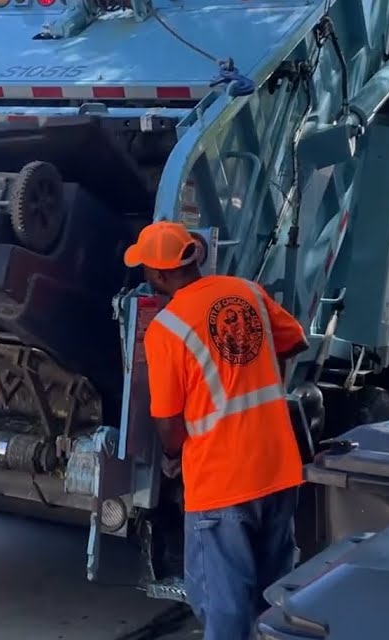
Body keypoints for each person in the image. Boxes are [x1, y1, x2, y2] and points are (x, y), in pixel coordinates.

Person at [124, 221, 309, 640]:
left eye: (147, 270)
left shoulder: (167, 329)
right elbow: (294, 341)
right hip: (279, 469)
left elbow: (169, 426)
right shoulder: (247, 292)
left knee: (222, 608)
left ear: (160, 274)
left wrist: (174, 458)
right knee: (273, 601)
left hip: (222, 484)